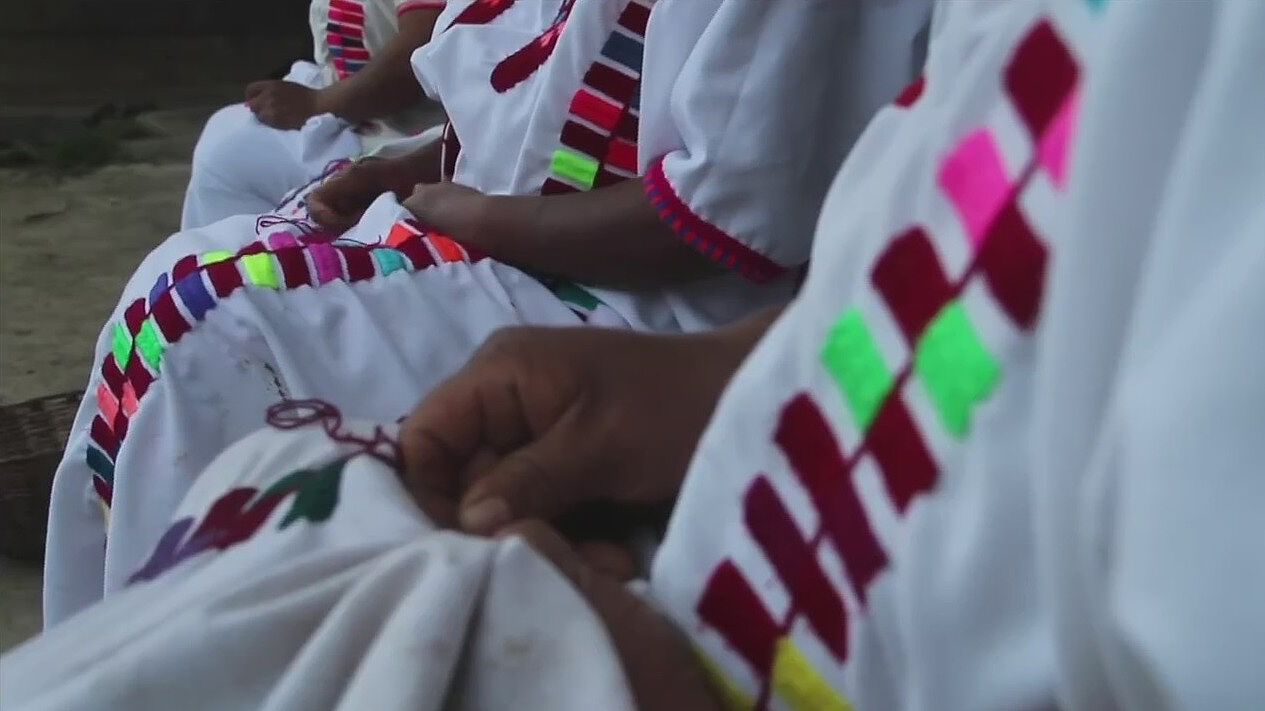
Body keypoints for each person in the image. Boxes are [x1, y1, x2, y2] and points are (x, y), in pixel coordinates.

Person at [7, 0, 1263, 708]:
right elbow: (991, 242)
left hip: (712, 609)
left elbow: (728, 206)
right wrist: (725, 388)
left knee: (204, 328)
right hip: (708, 553)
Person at [43, 0, 931, 626]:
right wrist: (411, 169)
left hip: (649, 308)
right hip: (520, 240)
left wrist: (474, 213)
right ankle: (130, 651)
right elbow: (538, 105)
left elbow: (717, 212)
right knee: (180, 287)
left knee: (199, 324)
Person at [179, 0, 447, 229]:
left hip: (423, 138)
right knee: (229, 139)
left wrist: (317, 102)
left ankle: (244, 277)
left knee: (230, 159)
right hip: (361, 112)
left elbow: (423, 48)